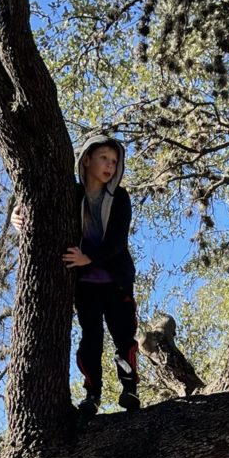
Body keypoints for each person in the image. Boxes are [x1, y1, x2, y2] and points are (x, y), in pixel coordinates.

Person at [66, 134, 139, 417]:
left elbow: (119, 239)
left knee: (123, 338)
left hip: (116, 280)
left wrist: (90, 258)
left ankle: (129, 388)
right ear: (86, 160)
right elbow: (36, 205)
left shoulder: (119, 197)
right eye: (103, 158)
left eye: (114, 161)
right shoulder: (71, 194)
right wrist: (16, 215)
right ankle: (92, 394)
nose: (110, 165)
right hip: (85, 286)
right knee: (91, 339)